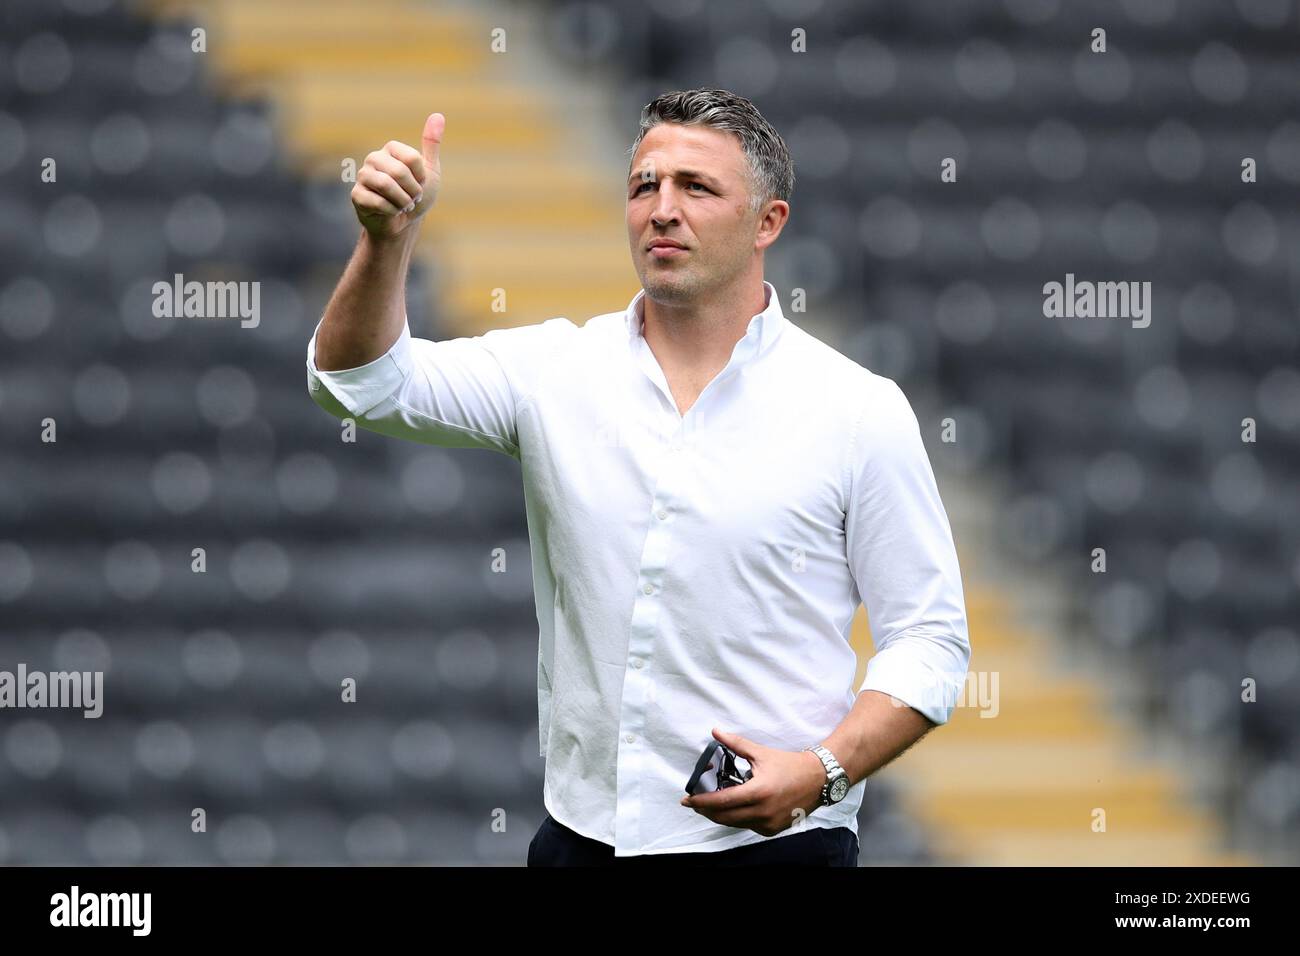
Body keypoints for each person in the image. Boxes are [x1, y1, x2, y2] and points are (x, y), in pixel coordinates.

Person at [305, 88, 971, 866]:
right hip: (580, 842)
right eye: (644, 186)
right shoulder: (554, 370)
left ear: (768, 224)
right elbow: (357, 382)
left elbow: (928, 640)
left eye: (697, 187)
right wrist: (387, 241)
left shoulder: (857, 411)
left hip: (775, 852)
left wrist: (817, 773)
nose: (662, 208)